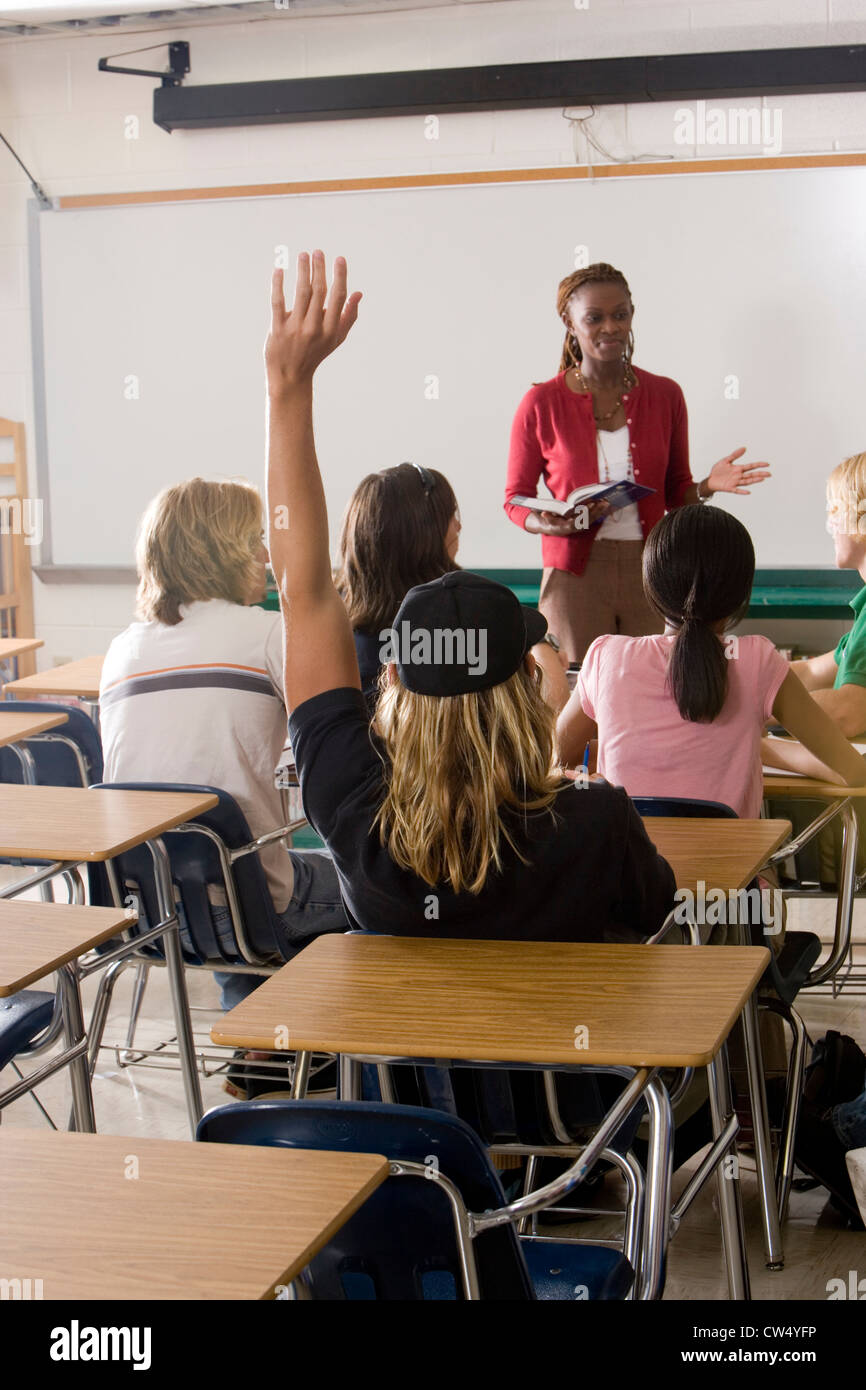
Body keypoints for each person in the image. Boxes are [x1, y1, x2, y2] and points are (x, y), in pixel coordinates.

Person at [265, 250, 676, 949]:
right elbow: (656, 923)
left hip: (412, 1066)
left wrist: (287, 389)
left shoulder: (352, 804)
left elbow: (302, 592)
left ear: (391, 678)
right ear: (526, 687)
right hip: (574, 1063)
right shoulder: (594, 822)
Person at [100, 477, 348, 1021]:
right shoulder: (268, 634)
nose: (265, 553)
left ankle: (256, 1040)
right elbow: (337, 753)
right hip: (248, 912)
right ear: (223, 550)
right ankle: (351, 1053)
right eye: (254, 539)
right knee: (375, 881)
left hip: (143, 914)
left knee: (226, 859)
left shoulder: (121, 650)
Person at [503, 262, 771, 663]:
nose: (610, 327)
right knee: (577, 689)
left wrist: (707, 487)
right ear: (569, 321)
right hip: (573, 573)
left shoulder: (665, 395)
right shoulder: (541, 402)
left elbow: (678, 493)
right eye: (595, 317)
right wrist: (551, 523)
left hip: (653, 566)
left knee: (653, 685)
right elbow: (514, 499)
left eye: (620, 314)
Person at [557, 505, 866, 818]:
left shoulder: (607, 656)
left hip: (626, 866)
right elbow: (852, 771)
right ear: (741, 592)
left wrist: (602, 772)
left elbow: (557, 757)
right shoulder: (758, 660)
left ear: (650, 583)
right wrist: (758, 749)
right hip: (734, 868)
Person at [335, 460, 570, 712]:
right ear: (423, 539)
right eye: (451, 516)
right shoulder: (453, 634)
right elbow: (555, 711)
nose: (458, 526)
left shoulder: (337, 631)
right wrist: (543, 645)